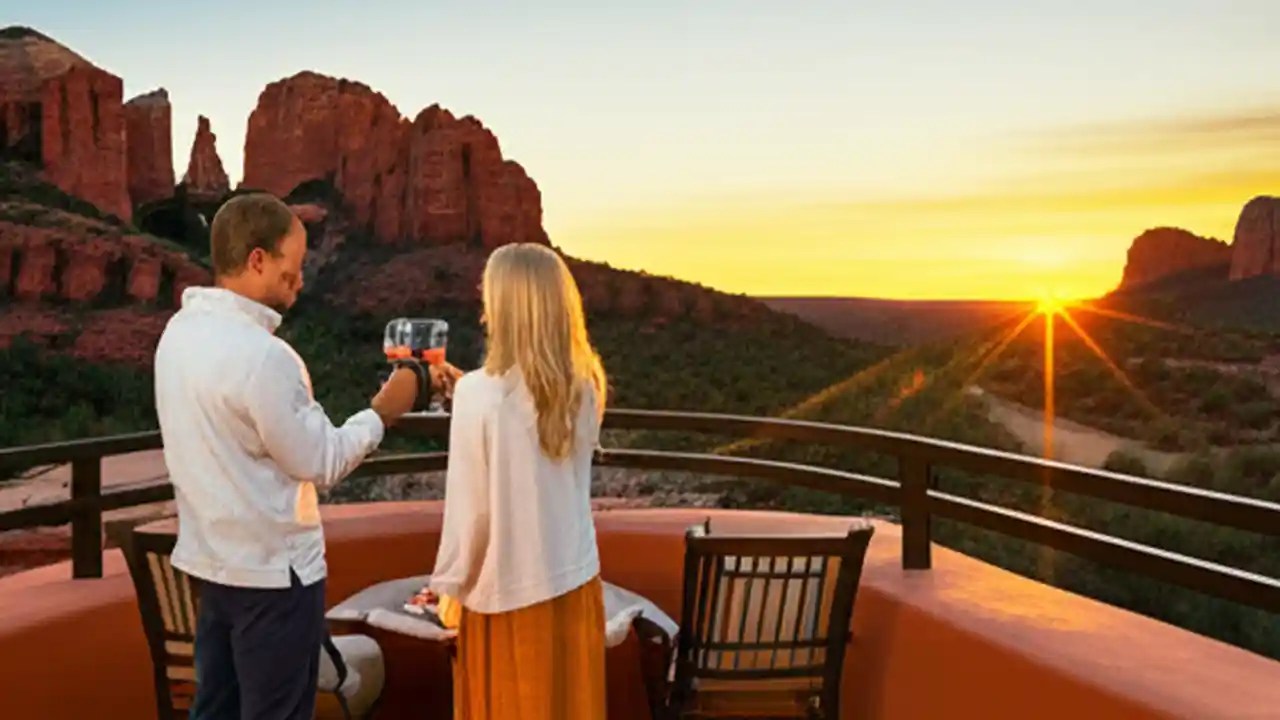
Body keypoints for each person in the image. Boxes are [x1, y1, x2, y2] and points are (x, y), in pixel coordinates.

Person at [153, 192, 461, 720]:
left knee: (216, 710)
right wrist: (384, 410)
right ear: (256, 260)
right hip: (274, 580)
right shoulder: (266, 358)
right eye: (291, 267)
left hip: (213, 566)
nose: (300, 278)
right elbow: (322, 462)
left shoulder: (178, 335)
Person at [429, 242, 609, 720]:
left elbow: (473, 514)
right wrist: (467, 387)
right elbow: (529, 416)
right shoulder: (584, 387)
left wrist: (449, 590)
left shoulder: (478, 396)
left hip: (508, 597)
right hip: (574, 586)